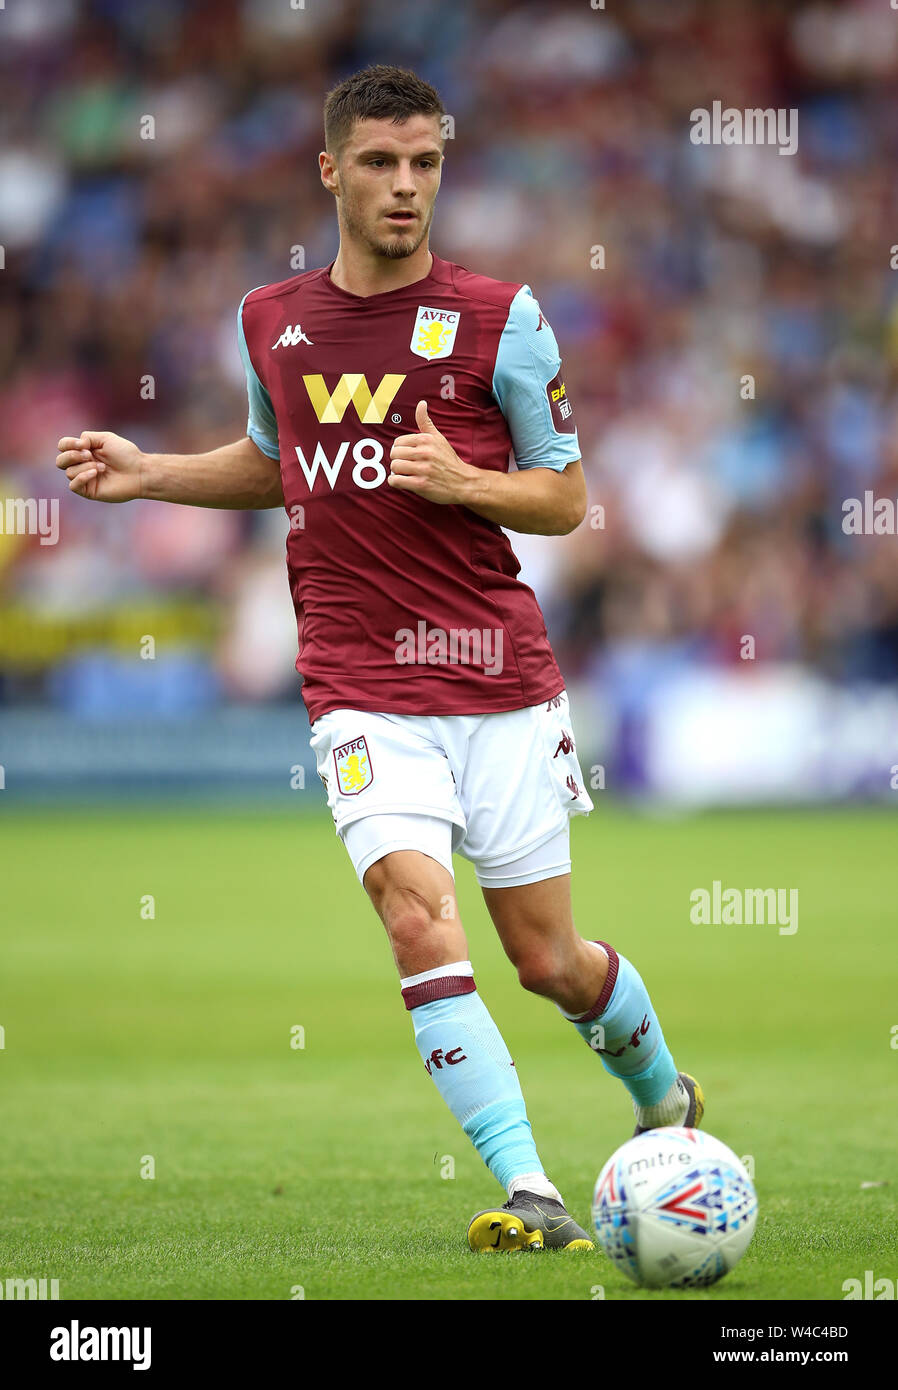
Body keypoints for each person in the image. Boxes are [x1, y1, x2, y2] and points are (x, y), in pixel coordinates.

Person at [56, 64, 702, 1253]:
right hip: (360, 684)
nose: (406, 188)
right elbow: (278, 461)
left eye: (426, 165)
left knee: (548, 960)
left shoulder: (503, 316)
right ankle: (534, 1193)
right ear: (330, 171)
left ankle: (664, 1100)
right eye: (380, 163)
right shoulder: (270, 318)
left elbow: (564, 498)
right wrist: (150, 472)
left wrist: (467, 483)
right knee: (417, 915)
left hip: (496, 673)